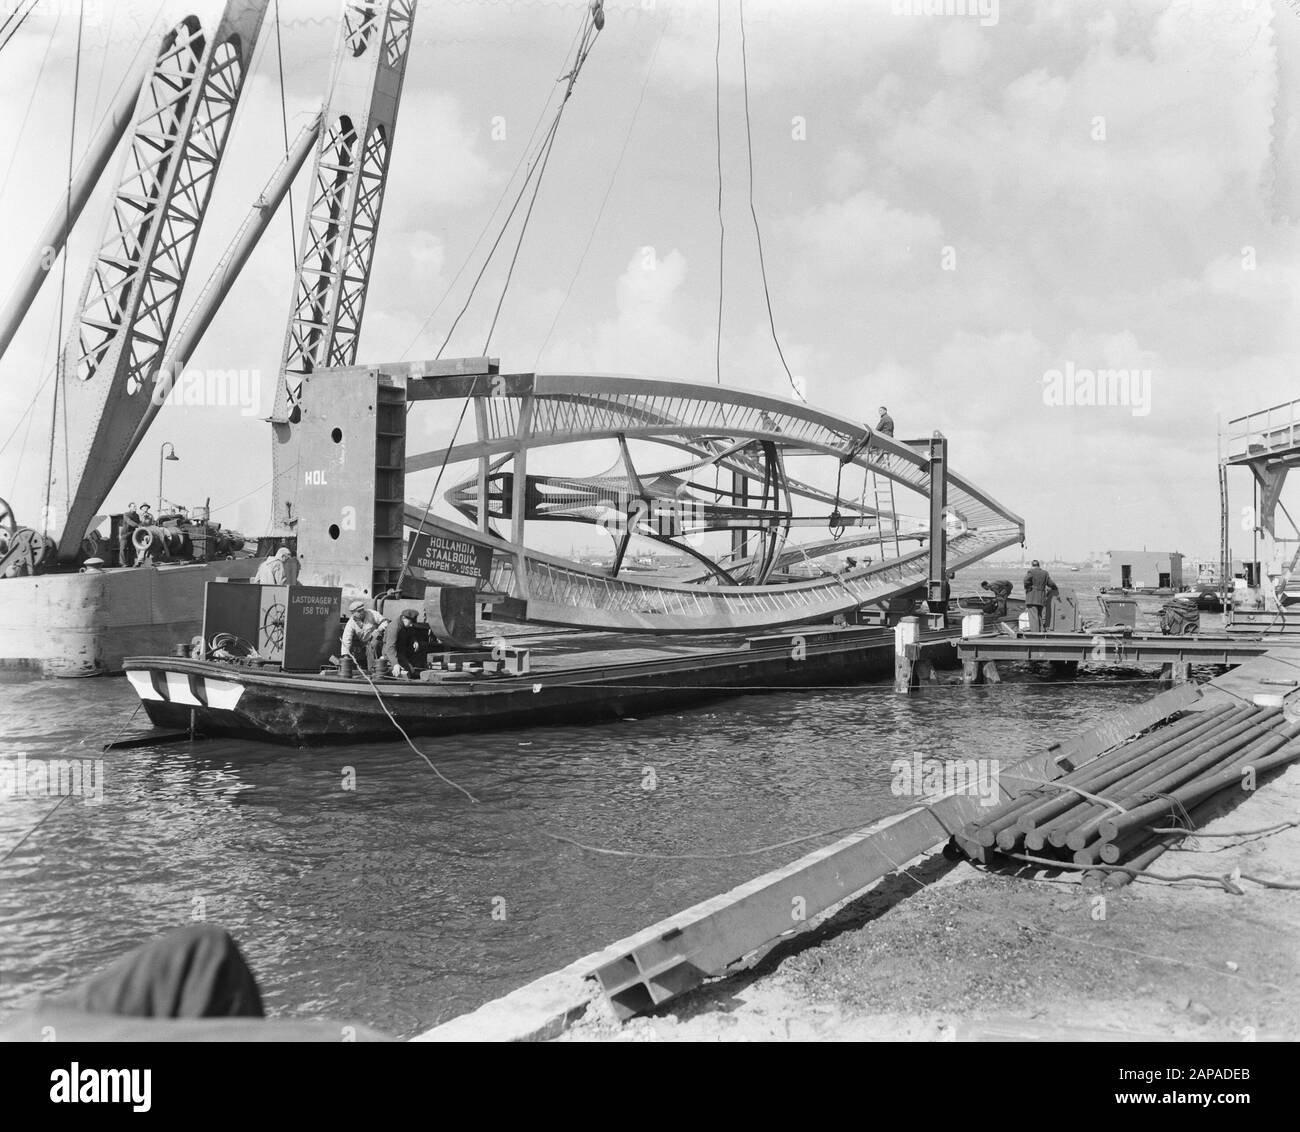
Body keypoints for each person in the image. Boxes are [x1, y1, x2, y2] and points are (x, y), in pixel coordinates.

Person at [341, 599, 389, 669]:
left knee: (373, 644)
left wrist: (379, 630)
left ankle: (374, 669)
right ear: (353, 613)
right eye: (359, 611)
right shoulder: (351, 623)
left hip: (377, 639)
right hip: (363, 644)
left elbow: (385, 621)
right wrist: (345, 655)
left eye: (362, 609)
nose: (362, 612)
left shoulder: (371, 613)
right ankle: (372, 669)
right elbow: (346, 639)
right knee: (369, 648)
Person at [383, 608, 430, 678]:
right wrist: (395, 664)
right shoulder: (394, 627)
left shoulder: (406, 624)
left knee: (411, 671)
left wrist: (414, 641)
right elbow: (390, 648)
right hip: (390, 654)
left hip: (401, 652)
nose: (411, 625)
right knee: (401, 672)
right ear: (403, 618)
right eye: (410, 622)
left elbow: (410, 634)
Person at [1024, 559, 1055, 632]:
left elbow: (1025, 580)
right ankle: (1041, 631)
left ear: (1032, 565)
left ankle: (1035, 634)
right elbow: (1051, 584)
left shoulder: (1031, 572)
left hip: (1032, 597)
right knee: (1039, 615)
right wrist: (1055, 588)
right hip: (1041, 597)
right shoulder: (1045, 573)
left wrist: (1028, 588)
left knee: (1033, 616)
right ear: (1039, 565)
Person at [118, 502, 140, 567]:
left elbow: (139, 522)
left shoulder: (137, 516)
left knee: (132, 548)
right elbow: (129, 521)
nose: (135, 508)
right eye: (133, 507)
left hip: (132, 534)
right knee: (123, 548)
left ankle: (131, 563)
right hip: (125, 533)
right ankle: (123, 563)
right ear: (130, 507)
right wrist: (138, 525)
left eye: (135, 507)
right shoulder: (126, 514)